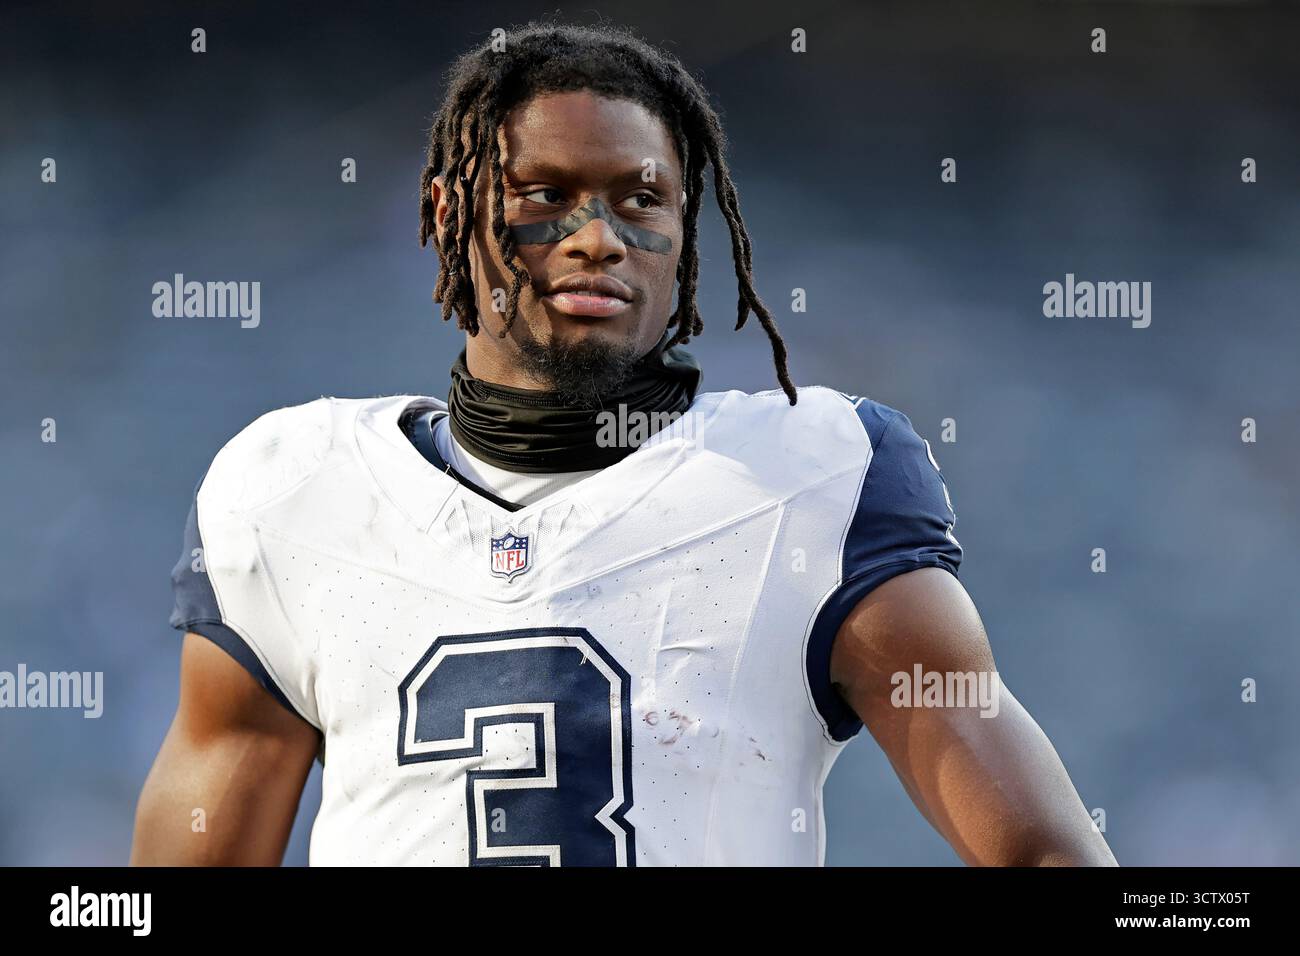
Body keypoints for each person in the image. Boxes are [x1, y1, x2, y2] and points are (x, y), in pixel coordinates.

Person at [131, 21, 1116, 867]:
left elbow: (1041, 848)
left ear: (686, 231)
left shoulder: (812, 474)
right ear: (445, 213)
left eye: (638, 199)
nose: (597, 235)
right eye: (545, 195)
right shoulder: (295, 490)